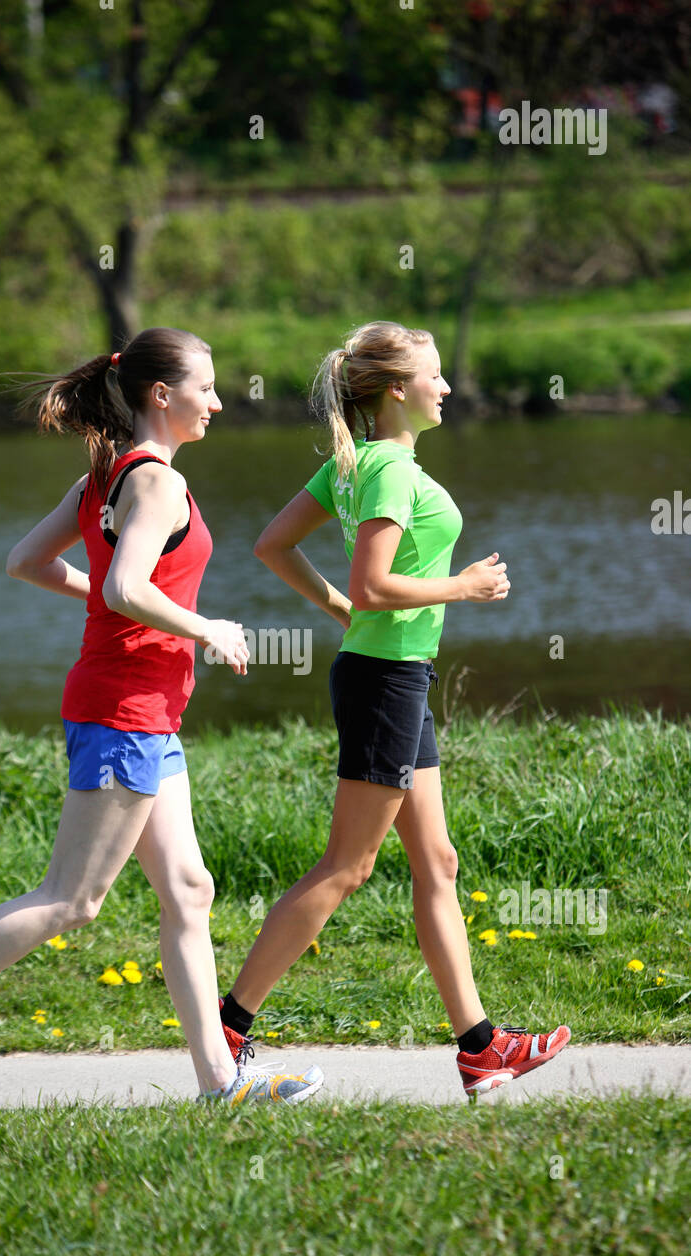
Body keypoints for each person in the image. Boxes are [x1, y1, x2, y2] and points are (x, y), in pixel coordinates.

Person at [0, 327, 323, 1110]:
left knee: (189, 887)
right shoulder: (156, 483)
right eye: (207, 386)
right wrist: (204, 627)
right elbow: (128, 585)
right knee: (73, 898)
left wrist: (120, 607)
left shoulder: (106, 473)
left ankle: (220, 1084)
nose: (219, 401)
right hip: (124, 710)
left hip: (143, 711)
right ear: (161, 395)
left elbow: (28, 563)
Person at [218, 319, 571, 1097]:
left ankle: (481, 1049)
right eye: (434, 376)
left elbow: (274, 545)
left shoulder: (364, 463)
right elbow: (376, 583)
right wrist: (460, 587)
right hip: (384, 680)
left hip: (394, 671)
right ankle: (227, 1029)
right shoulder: (385, 467)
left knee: (437, 863)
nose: (447, 387)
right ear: (395, 390)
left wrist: (345, 608)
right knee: (349, 866)